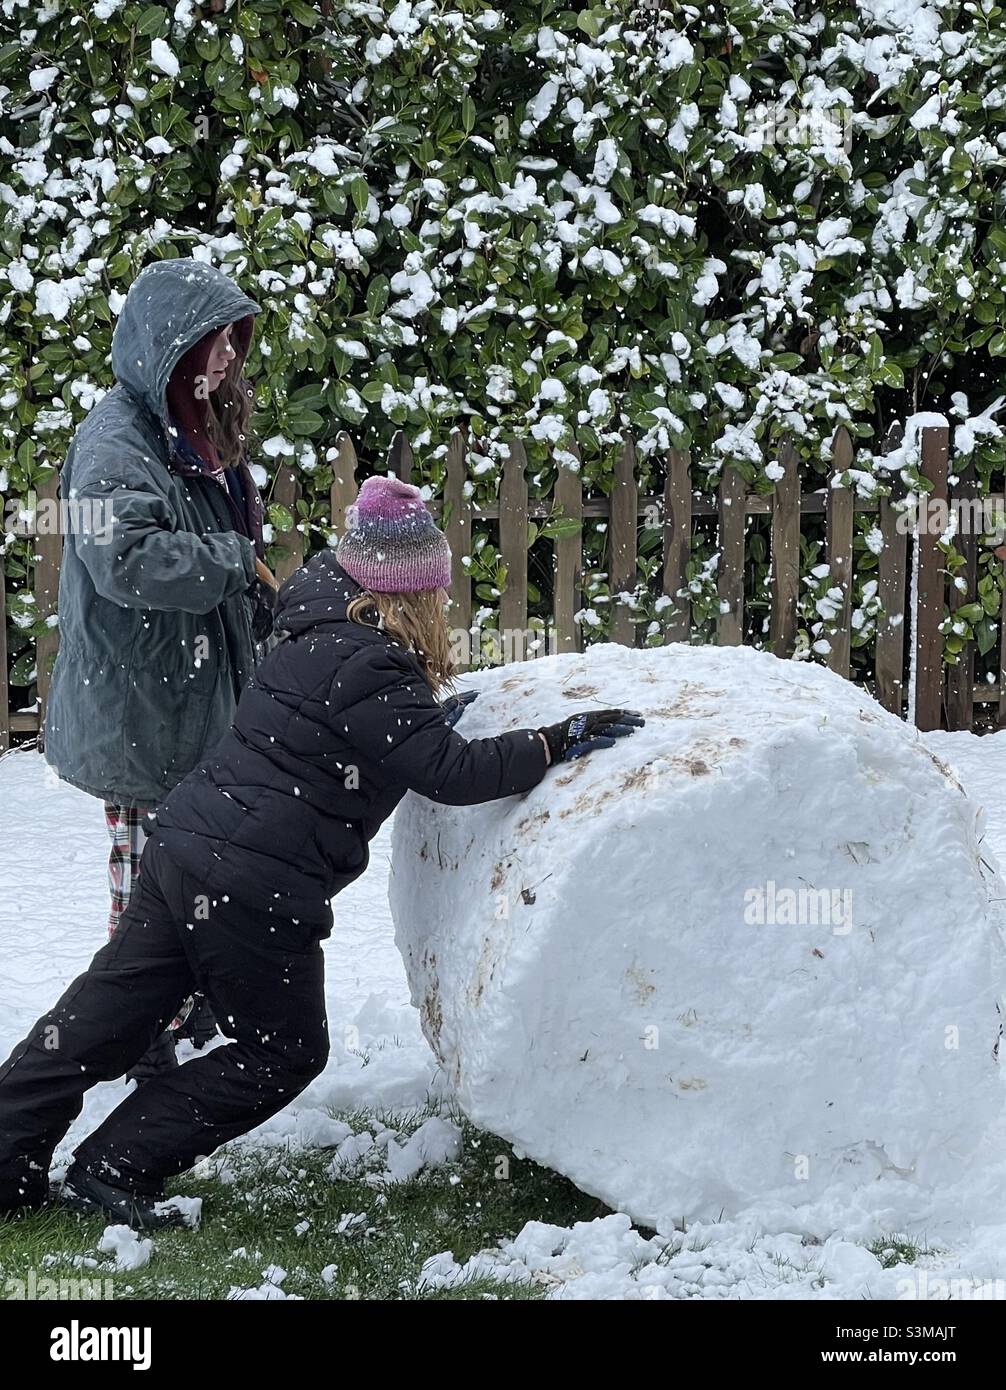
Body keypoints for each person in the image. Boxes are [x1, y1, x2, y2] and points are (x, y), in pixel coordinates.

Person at [0, 476, 642, 1228]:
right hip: (253, 887)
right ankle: (117, 1166)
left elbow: (373, 739)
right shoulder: (370, 664)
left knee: (102, 1018)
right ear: (410, 593)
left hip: (185, 848)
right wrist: (550, 741)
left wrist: (426, 721)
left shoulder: (315, 624)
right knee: (284, 1051)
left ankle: (6, 1152)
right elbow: (451, 773)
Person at [43, 257, 278, 1078]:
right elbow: (126, 558)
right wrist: (234, 563)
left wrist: (251, 592)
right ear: (166, 347)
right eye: (214, 344)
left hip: (186, 703)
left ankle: (183, 1014)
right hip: (143, 713)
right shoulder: (116, 441)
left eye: (233, 344)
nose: (227, 361)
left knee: (189, 878)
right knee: (151, 900)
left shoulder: (186, 424)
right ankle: (134, 1036)